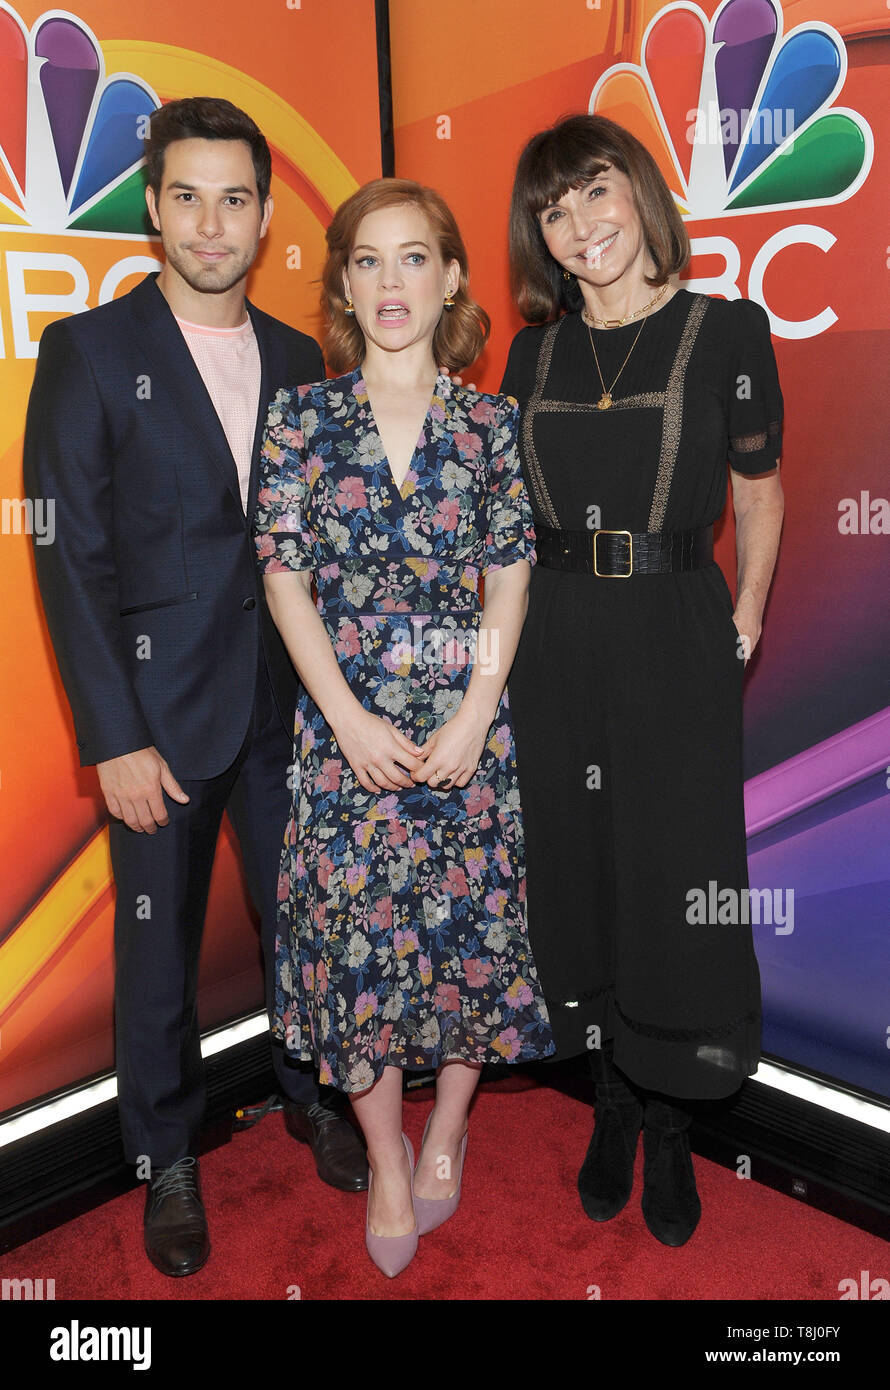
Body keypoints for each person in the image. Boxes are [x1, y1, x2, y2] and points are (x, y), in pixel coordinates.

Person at [23, 96, 367, 1279]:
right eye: (187, 196)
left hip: (285, 710)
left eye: (234, 198)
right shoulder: (89, 351)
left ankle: (313, 1094)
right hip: (157, 723)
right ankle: (163, 1156)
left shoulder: (294, 356)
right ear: (152, 208)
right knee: (157, 955)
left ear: (265, 216)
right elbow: (68, 558)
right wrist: (111, 735)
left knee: (303, 928)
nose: (211, 223)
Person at [253, 176, 555, 1277]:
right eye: (367, 260)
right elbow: (283, 578)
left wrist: (478, 703)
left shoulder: (488, 424)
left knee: (468, 940)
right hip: (345, 738)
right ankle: (384, 1152)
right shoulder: (298, 416)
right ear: (341, 281)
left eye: (413, 257)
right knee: (358, 954)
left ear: (451, 278)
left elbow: (508, 578)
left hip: (465, 732)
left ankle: (447, 1126)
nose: (390, 282)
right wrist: (342, 720)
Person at [500, 114, 784, 1246]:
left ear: (640, 193)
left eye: (595, 192)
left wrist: (747, 613)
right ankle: (609, 1098)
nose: (579, 226)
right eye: (552, 211)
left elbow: (757, 485)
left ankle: (670, 1119)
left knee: (675, 872)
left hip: (674, 623)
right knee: (578, 866)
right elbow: (503, 527)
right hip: (555, 635)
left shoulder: (728, 331)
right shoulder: (530, 353)